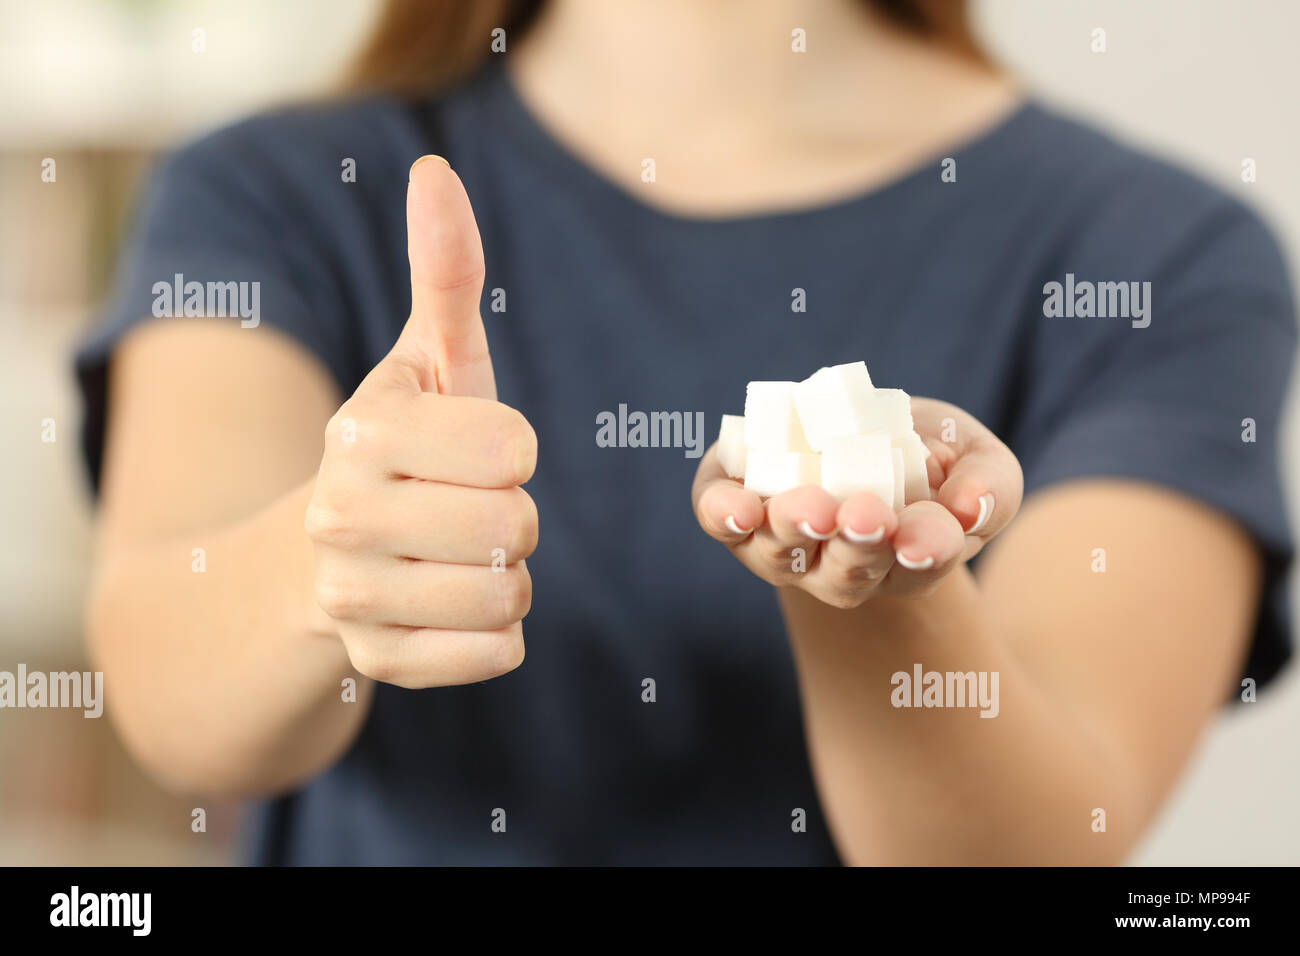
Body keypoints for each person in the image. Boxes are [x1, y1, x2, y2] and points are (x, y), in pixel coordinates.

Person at [76, 0, 1295, 865]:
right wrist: (327, 565)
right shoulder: (269, 192)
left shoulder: (1160, 254)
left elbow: (1038, 853)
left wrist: (886, 587)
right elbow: (175, 701)